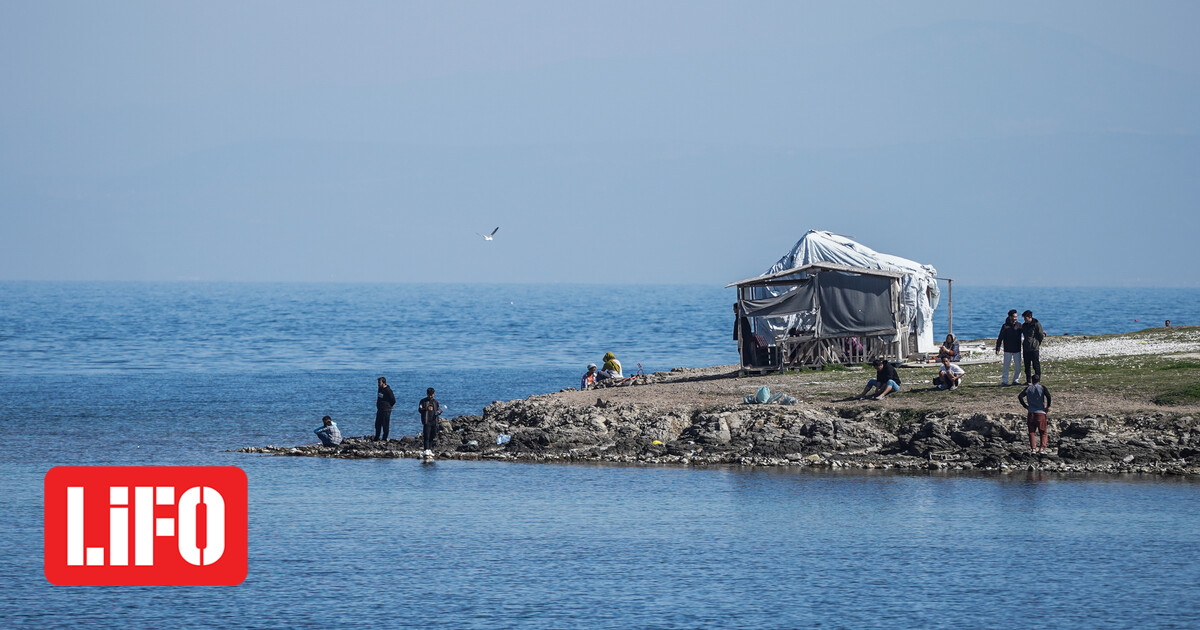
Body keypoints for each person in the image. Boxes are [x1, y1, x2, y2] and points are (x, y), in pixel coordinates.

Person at [1018, 374, 1053, 452]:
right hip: (1040, 412)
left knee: (1031, 432)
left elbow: (1020, 396)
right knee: (1043, 431)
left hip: (1031, 412)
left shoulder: (1028, 388)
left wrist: (1025, 406)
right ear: (1039, 380)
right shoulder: (1042, 388)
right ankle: (1042, 448)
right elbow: (1048, 397)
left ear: (1032, 380)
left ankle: (1033, 448)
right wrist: (1048, 406)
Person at [994, 309, 1023, 386]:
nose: (1015, 318)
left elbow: (1027, 331)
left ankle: (1016, 380)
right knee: (1006, 366)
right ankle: (1004, 381)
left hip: (1017, 349)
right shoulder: (1005, 326)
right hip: (1007, 349)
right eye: (1014, 317)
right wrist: (998, 348)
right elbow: (1000, 337)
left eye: (1016, 316)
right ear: (1010, 317)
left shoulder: (1019, 325)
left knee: (1018, 366)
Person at [1021, 310, 1046, 384]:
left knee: (1036, 365)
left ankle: (1037, 380)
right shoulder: (1024, 325)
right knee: (1027, 365)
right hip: (1026, 348)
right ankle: (1028, 380)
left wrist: (1037, 343)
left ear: (1030, 317)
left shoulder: (1036, 324)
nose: (1024, 320)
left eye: (1025, 318)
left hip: (1034, 348)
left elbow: (1040, 335)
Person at [418, 387, 442, 456]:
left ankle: (430, 449)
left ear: (434, 394)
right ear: (427, 394)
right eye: (429, 394)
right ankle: (426, 450)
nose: (430, 396)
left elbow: (437, 410)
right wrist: (426, 408)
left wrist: (439, 414)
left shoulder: (435, 402)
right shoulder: (423, 401)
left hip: (434, 421)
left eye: (431, 395)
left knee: (432, 435)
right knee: (426, 436)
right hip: (426, 420)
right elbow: (420, 410)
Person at [374, 376, 396, 441]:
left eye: (379, 382)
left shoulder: (388, 390)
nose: (378, 384)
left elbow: (393, 400)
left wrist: (390, 405)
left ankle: (384, 438)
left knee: (385, 424)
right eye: (378, 382)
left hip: (386, 410)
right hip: (380, 409)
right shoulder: (380, 389)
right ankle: (376, 437)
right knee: (377, 424)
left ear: (384, 383)